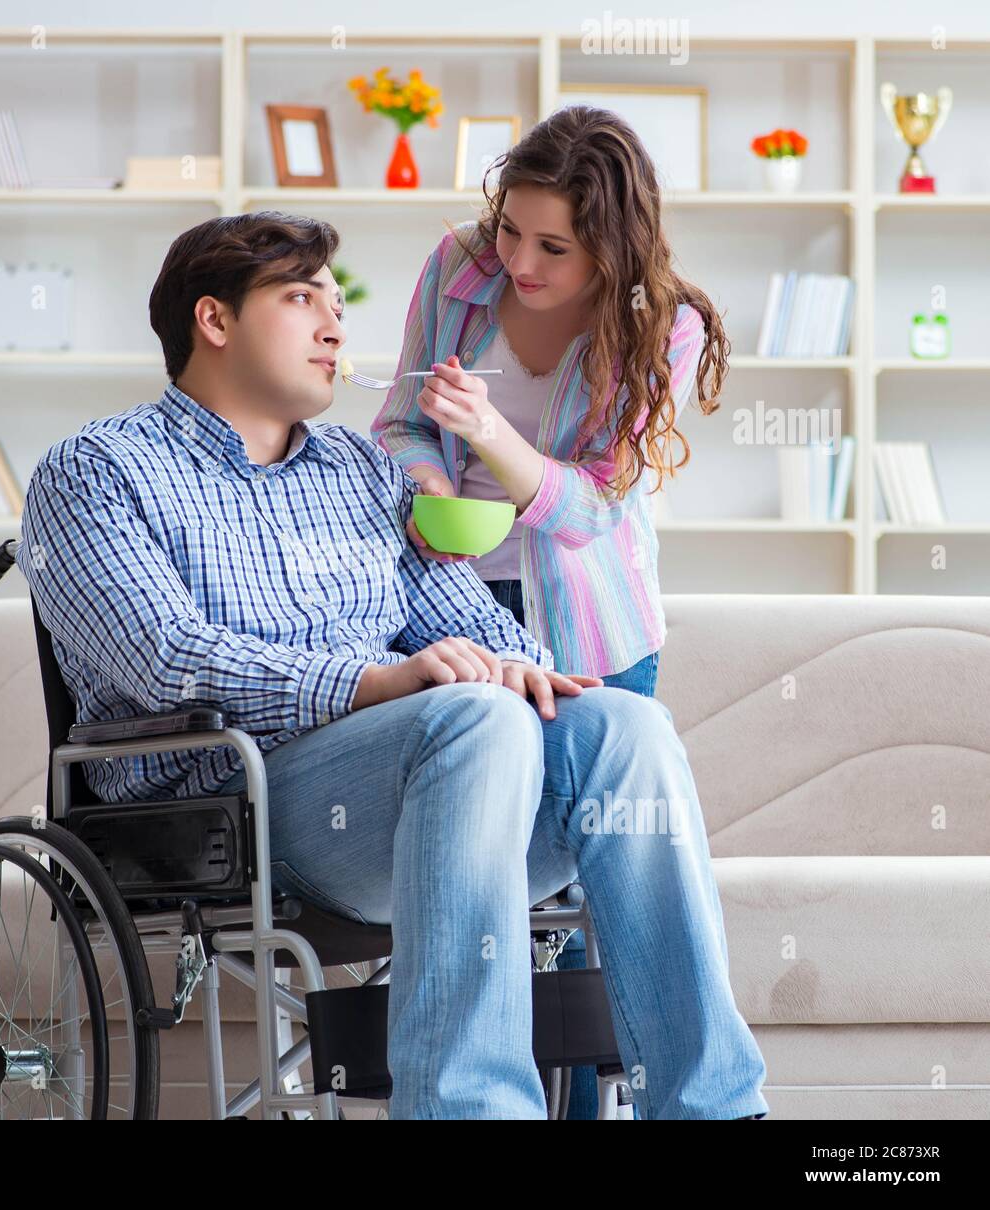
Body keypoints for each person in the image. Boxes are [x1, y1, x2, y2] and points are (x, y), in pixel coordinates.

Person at [14, 209, 768, 1120]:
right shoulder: (95, 469)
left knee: (623, 728)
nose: (336, 326)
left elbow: (457, 609)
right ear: (214, 321)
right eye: (302, 300)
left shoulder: (363, 472)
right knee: (474, 716)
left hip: (424, 793)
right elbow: (163, 656)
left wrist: (526, 666)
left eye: (339, 302)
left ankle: (710, 1110)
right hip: (229, 804)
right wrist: (377, 683)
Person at [371, 106, 729, 1116]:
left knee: (577, 904)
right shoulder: (456, 268)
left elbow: (589, 505)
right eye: (510, 231)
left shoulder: (661, 326)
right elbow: (397, 421)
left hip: (591, 630)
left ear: (610, 247)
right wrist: (424, 505)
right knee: (491, 876)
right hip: (449, 601)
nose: (519, 261)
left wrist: (486, 433)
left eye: (553, 246)